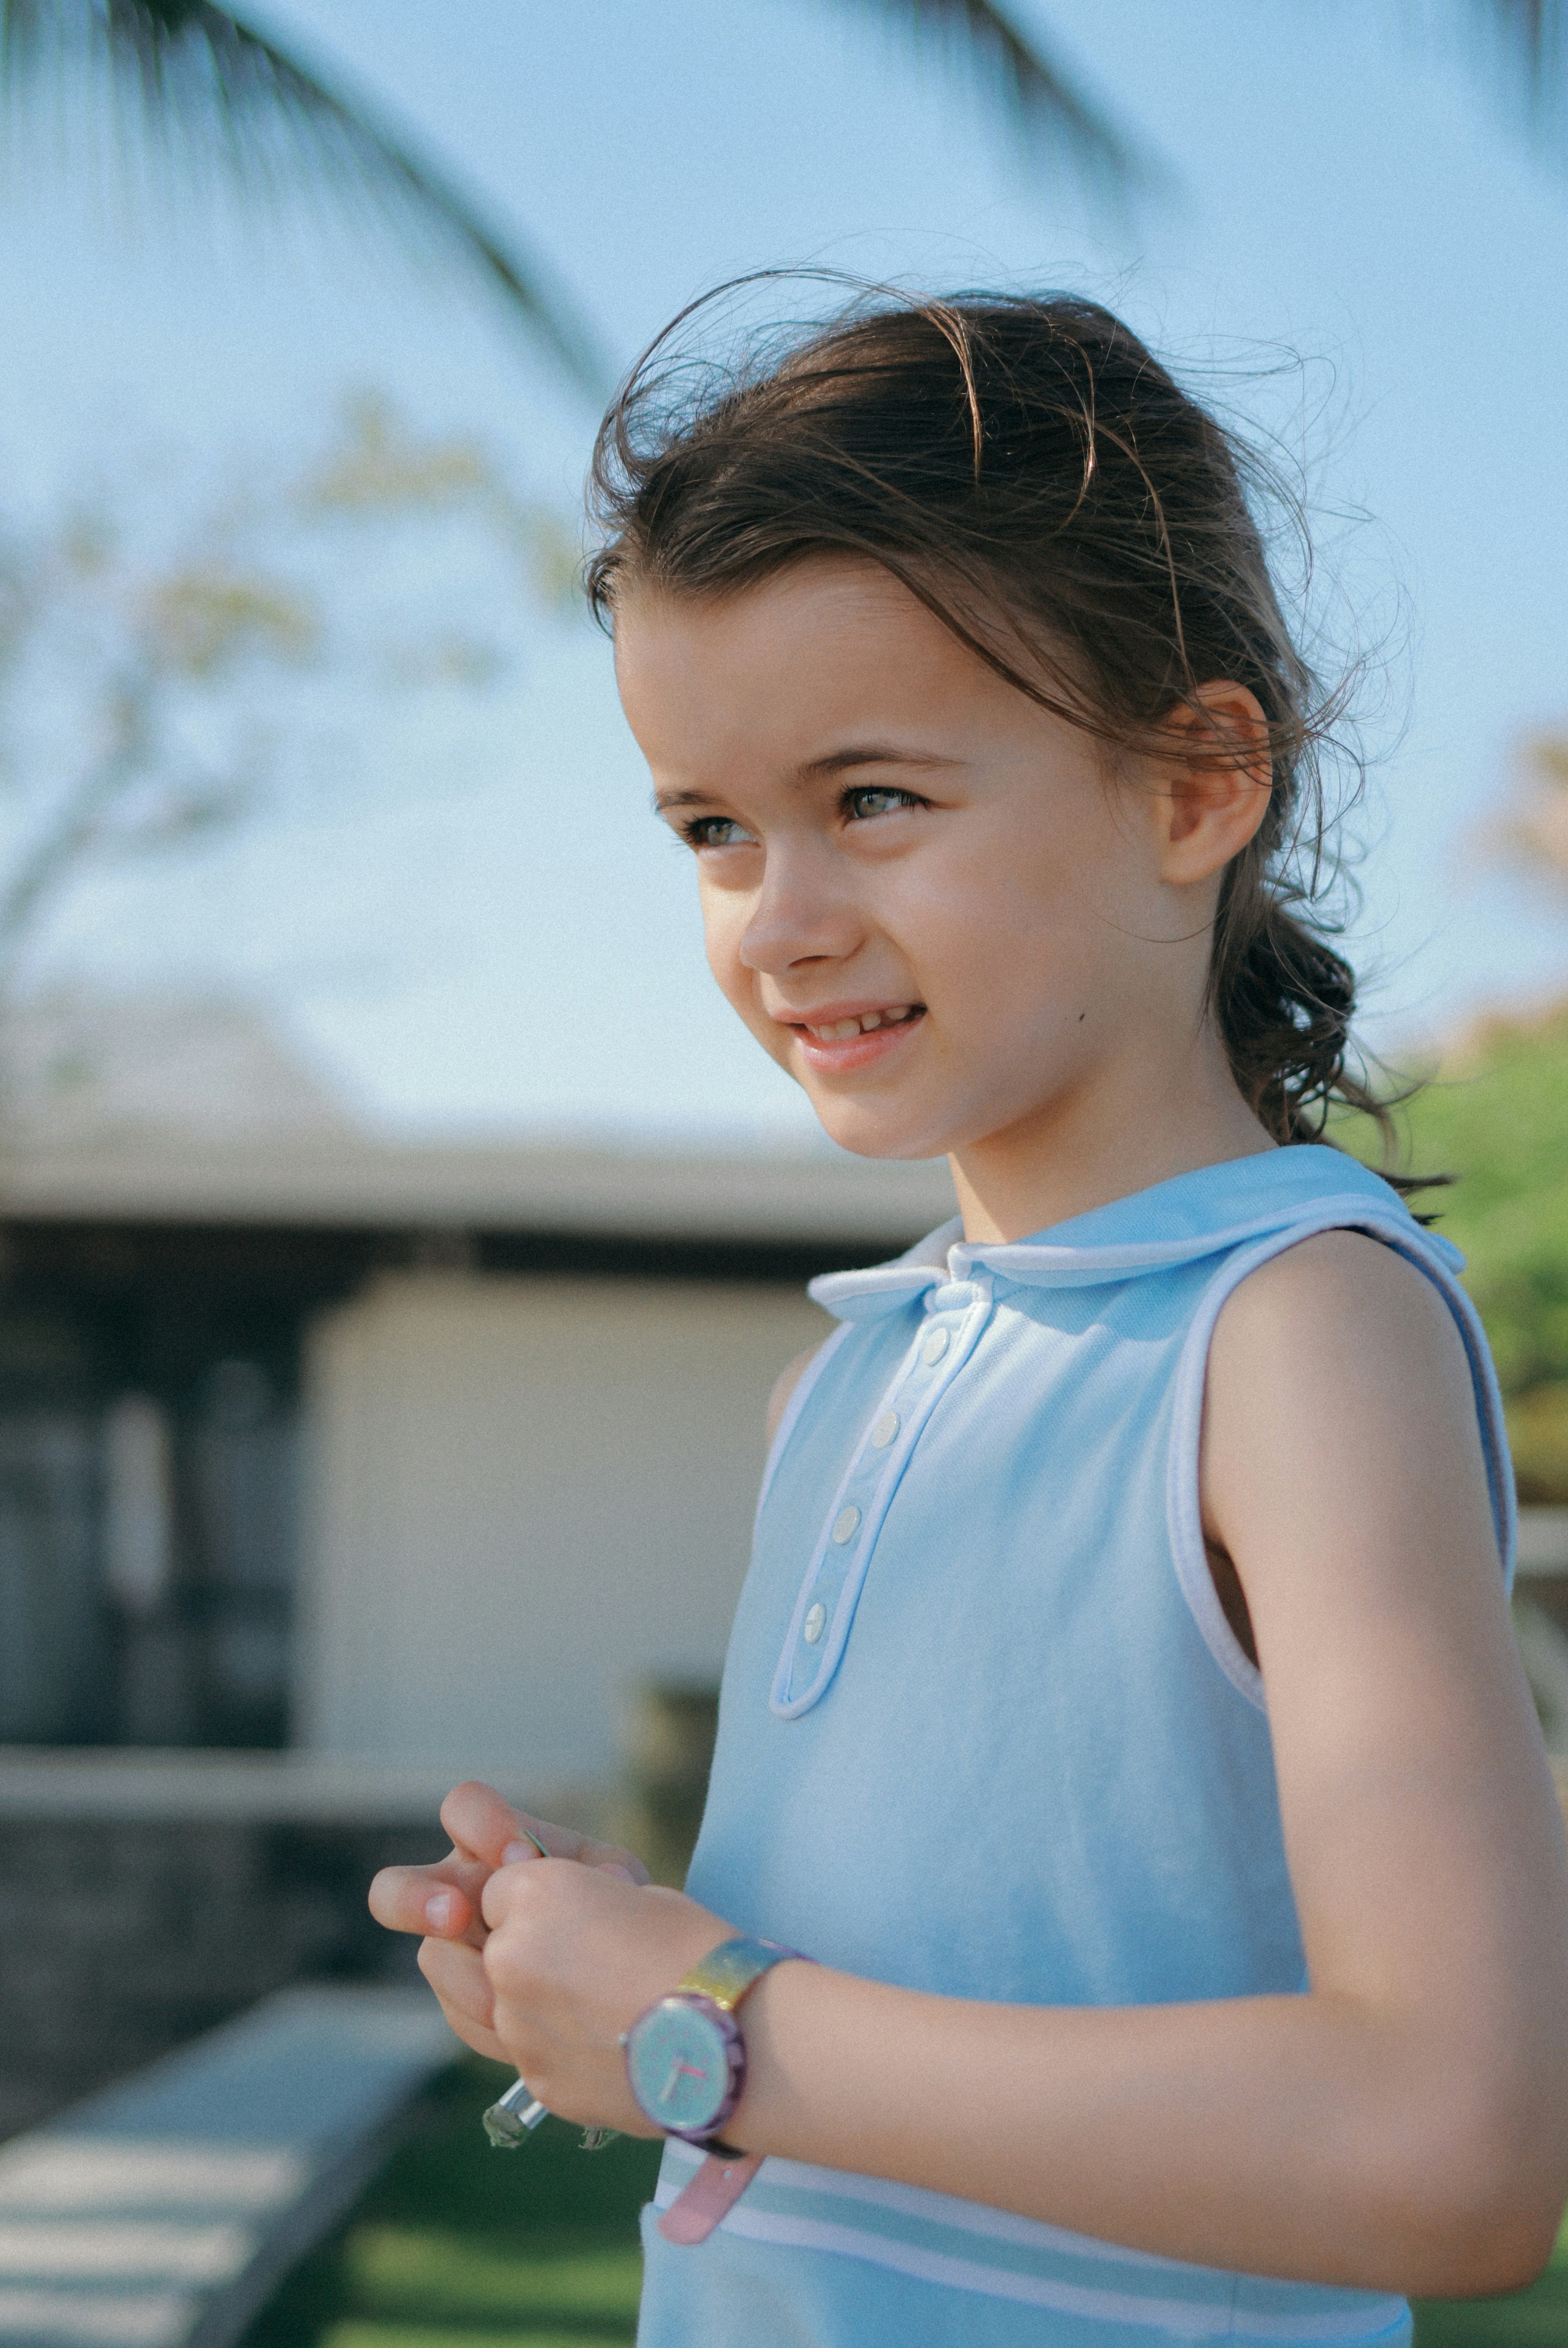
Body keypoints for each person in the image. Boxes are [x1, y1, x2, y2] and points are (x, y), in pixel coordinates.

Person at [369, 289, 1568, 2347]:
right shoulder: (842, 1378)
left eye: (876, 799)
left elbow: (1455, 2148)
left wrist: (711, 2019)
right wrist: (617, 1965)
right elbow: (892, 2037)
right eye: (712, 828)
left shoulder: (1291, 1334)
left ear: (1195, 785)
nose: (782, 921)